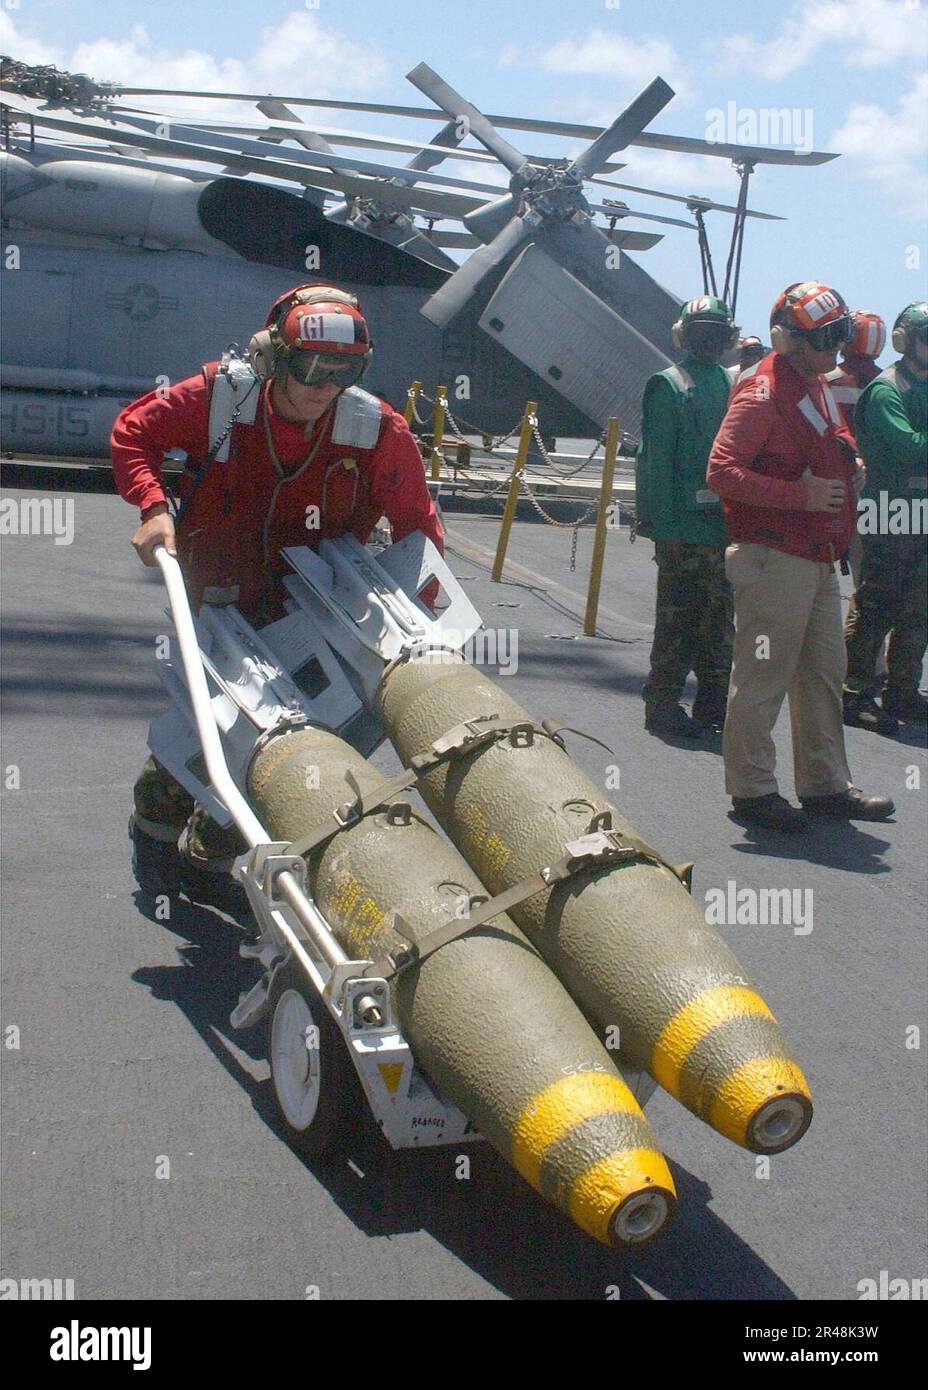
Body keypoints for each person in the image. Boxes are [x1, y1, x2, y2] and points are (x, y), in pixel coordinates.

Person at [112, 282, 444, 899]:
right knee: (200, 727)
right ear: (272, 358)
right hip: (217, 594)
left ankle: (216, 849)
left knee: (298, 735)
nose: (323, 386)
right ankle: (155, 831)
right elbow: (135, 433)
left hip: (312, 609)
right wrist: (152, 506)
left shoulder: (374, 428)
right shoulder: (220, 397)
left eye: (343, 370)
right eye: (309, 366)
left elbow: (418, 527)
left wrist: (413, 621)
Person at [707, 280, 894, 832]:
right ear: (788, 340)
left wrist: (851, 460)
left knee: (821, 673)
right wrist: (802, 495)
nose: (836, 350)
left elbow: (834, 430)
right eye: (825, 340)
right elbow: (721, 473)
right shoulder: (761, 391)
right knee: (763, 674)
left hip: (814, 555)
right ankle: (754, 790)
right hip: (775, 555)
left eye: (840, 337)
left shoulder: (812, 382)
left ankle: (824, 783)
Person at [635, 295, 737, 737]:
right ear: (684, 335)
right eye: (702, 331)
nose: (710, 340)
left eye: (717, 331)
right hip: (681, 528)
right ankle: (662, 706)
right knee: (678, 620)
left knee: (719, 624)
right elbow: (655, 461)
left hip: (721, 529)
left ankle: (713, 709)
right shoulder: (667, 384)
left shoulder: (732, 385)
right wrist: (657, 524)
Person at [843, 302, 928, 731]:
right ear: (904, 341)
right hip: (889, 512)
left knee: (919, 607)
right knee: (877, 604)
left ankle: (903, 691)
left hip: (922, 513)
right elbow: (909, 447)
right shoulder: (886, 389)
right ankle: (854, 693)